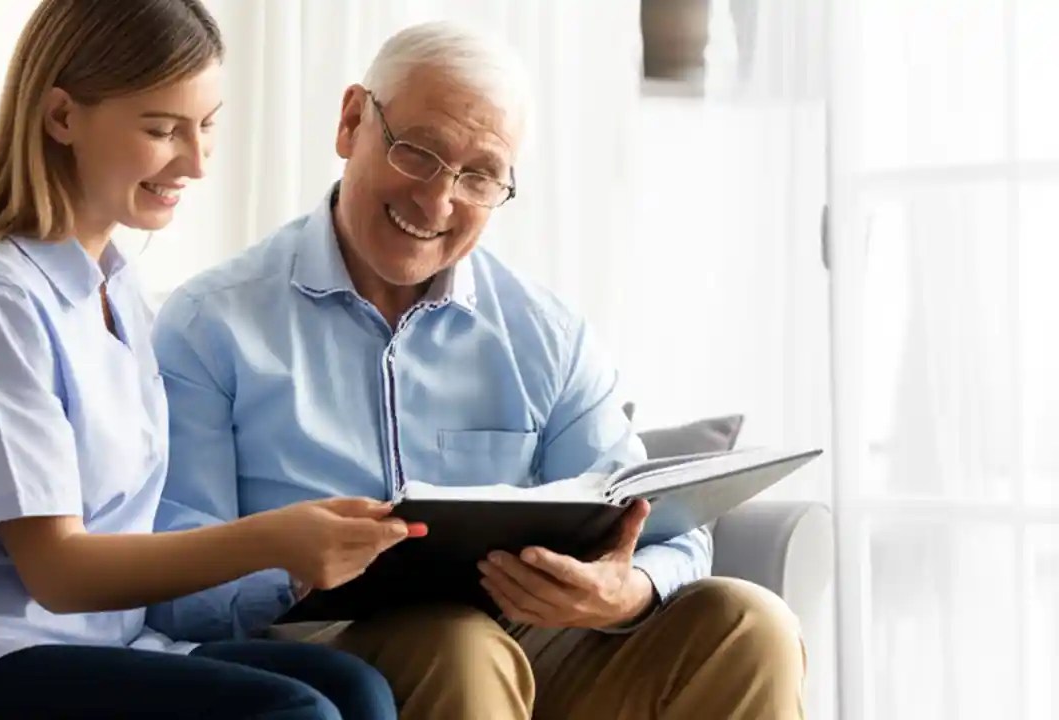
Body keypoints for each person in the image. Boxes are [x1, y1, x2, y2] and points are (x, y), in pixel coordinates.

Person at [149, 20, 807, 720]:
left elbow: (668, 532)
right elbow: (172, 587)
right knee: (456, 643)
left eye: (480, 175)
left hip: (526, 647)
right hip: (318, 655)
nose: (438, 201)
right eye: (418, 153)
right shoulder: (210, 326)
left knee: (747, 622)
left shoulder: (547, 335)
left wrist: (626, 589)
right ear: (350, 123)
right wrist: (293, 571)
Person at [0, 2, 412, 718]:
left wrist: (295, 569)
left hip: (91, 643)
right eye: (162, 129)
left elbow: (129, 531)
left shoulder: (116, 289)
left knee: (357, 690)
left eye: (208, 125)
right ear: (62, 116)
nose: (195, 161)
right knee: (292, 713)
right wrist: (271, 538)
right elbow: (59, 570)